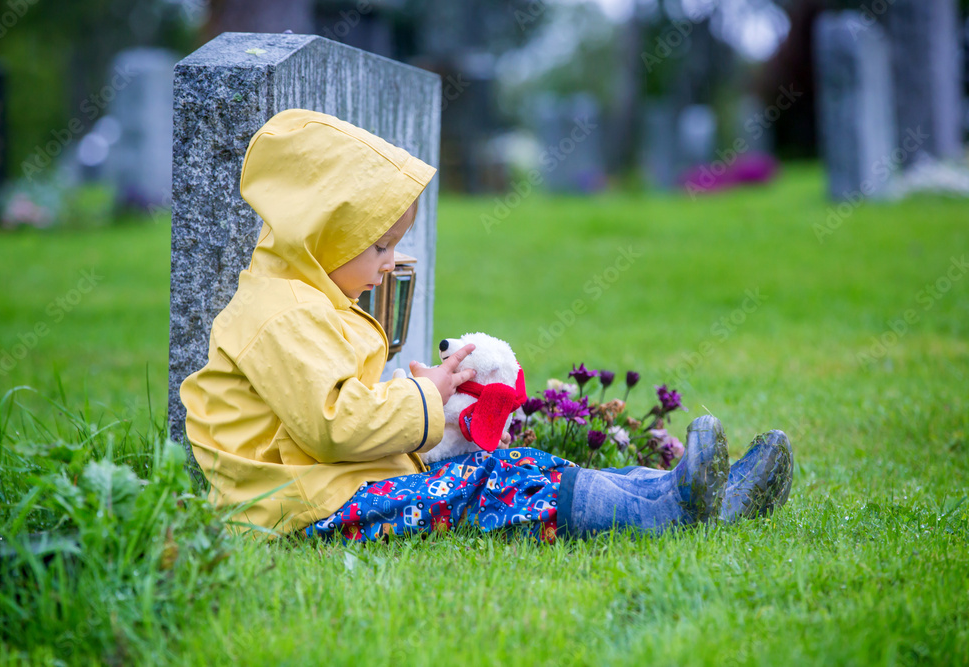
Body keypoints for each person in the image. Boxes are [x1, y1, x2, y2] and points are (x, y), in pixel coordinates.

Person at [179, 108, 793, 544]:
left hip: (329, 492)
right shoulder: (279, 314)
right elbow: (335, 423)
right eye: (379, 246)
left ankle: (685, 492)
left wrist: (415, 397)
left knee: (520, 466)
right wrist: (428, 397)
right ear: (320, 236)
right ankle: (669, 512)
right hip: (296, 511)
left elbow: (330, 415)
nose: (391, 262)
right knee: (494, 483)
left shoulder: (303, 299)